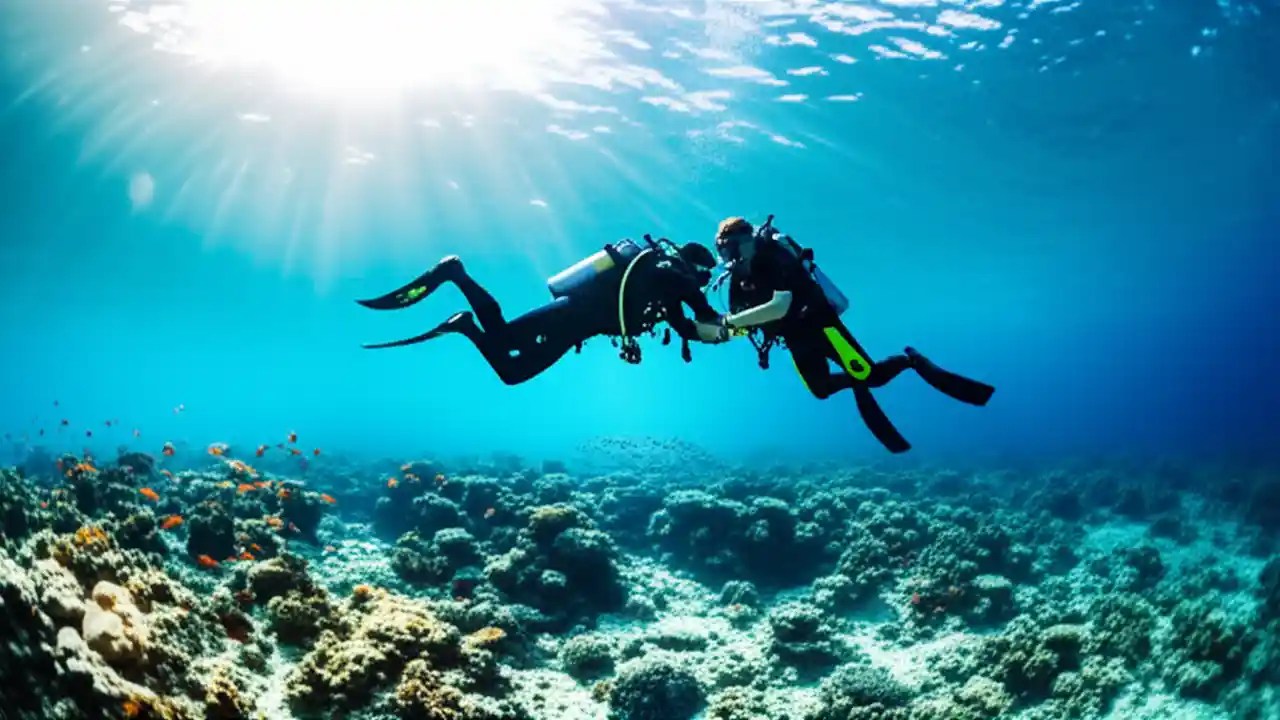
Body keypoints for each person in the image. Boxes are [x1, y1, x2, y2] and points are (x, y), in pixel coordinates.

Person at [712, 215, 995, 453]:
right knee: (821, 390)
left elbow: (780, 305)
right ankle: (854, 378)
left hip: (822, 326)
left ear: (746, 241)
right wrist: (712, 331)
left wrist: (728, 323)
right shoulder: (738, 278)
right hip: (794, 338)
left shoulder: (774, 257)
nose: (728, 257)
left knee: (872, 376)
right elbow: (741, 323)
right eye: (723, 251)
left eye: (730, 248)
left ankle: (911, 360)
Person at [357, 237, 731, 385]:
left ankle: (465, 325)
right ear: (694, 267)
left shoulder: (663, 288)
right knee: (505, 347)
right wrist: (729, 325)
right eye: (704, 275)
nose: (703, 283)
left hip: (574, 329)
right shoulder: (671, 275)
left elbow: (685, 328)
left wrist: (719, 336)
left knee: (511, 371)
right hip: (569, 314)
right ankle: (456, 275)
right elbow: (702, 313)